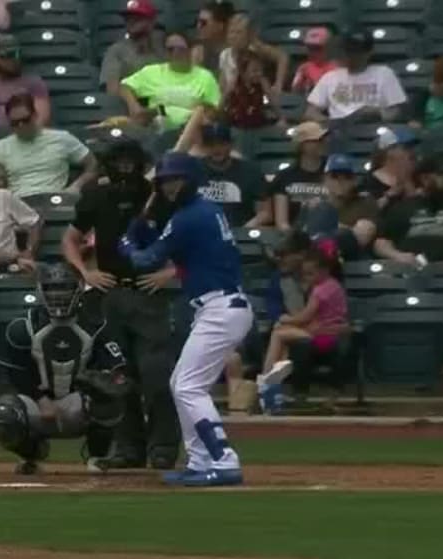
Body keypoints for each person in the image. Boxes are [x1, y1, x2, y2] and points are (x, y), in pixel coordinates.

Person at [119, 152, 251, 487]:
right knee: (183, 384)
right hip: (220, 307)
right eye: (164, 181)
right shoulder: (203, 212)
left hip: (220, 308)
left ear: (191, 179)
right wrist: (146, 231)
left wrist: (127, 242)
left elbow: (147, 260)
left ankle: (224, 460)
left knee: (188, 386)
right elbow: (175, 249)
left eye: (175, 179)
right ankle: (199, 461)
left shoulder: (189, 217)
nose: (169, 187)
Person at [63, 137, 180, 471]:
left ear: (140, 162)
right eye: (119, 161)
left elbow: (187, 241)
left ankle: (163, 447)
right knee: (119, 376)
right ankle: (129, 448)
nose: (125, 168)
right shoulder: (96, 196)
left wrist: (169, 272)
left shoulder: (156, 197)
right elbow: (70, 238)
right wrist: (86, 272)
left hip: (150, 294)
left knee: (156, 374)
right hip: (111, 295)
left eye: (130, 161)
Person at [0, 263, 134, 474]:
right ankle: (31, 456)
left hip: (78, 405)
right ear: (40, 290)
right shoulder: (22, 328)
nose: (58, 295)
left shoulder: (98, 325)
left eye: (64, 288)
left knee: (108, 399)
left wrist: (106, 381)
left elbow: (119, 371)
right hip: (37, 402)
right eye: (52, 288)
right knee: (2, 412)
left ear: (78, 289)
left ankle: (97, 456)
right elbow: (16, 374)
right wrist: (42, 400)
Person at [255, 247, 347, 414]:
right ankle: (273, 390)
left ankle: (267, 386)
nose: (307, 278)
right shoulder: (334, 284)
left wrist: (284, 319)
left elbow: (303, 317)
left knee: (278, 334)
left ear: (324, 271)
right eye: (305, 274)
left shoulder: (321, 290)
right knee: (282, 345)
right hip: (322, 330)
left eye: (311, 274)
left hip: (323, 334)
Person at [0, 93, 96, 198]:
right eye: (15, 123)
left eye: (25, 120)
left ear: (35, 116)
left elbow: (92, 165)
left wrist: (76, 186)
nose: (21, 126)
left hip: (55, 200)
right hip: (17, 204)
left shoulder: (62, 138)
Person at [120, 30, 221, 131]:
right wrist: (134, 107)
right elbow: (124, 86)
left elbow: (213, 108)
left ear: (190, 50)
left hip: (192, 127)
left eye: (180, 49)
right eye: (170, 49)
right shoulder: (152, 71)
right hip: (158, 120)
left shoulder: (204, 76)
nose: (175, 53)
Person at [303, 29, 406, 124]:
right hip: (337, 131)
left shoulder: (384, 73)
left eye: (358, 51)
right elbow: (311, 112)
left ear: (369, 52)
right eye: (350, 50)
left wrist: (379, 114)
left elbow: (396, 111)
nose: (353, 55)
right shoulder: (330, 77)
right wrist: (331, 123)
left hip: (373, 128)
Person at [297, 153, 379, 260]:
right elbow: (299, 238)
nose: (341, 181)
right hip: (314, 261)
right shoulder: (313, 205)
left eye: (347, 177)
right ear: (324, 180)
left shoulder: (365, 202)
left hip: (350, 259)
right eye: (334, 176)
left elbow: (363, 237)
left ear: (354, 181)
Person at [195, 120, 268, 227]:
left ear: (231, 144)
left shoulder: (251, 171)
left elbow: (264, 213)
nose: (217, 149)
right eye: (211, 145)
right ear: (204, 147)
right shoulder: (193, 170)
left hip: (240, 232)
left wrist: (243, 231)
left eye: (222, 144)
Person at [270, 121, 328, 231]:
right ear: (302, 146)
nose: (322, 143)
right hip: (296, 236)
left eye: (323, 139)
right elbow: (282, 222)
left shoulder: (332, 172)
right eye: (316, 140)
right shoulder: (284, 177)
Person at [101, 0, 166, 97]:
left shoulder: (164, 46)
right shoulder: (116, 51)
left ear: (151, 21)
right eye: (128, 19)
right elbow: (112, 91)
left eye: (137, 18)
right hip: (131, 105)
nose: (131, 22)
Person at [218, 12, 287, 101]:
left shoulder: (255, 49)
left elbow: (282, 57)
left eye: (239, 32)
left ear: (248, 35)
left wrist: (278, 84)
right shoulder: (225, 55)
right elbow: (222, 84)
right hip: (232, 100)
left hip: (254, 99)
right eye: (231, 32)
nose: (234, 36)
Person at [361, 125, 417, 211]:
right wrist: (390, 194)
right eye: (406, 148)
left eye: (412, 147)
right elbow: (367, 211)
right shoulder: (370, 180)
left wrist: (407, 181)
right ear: (389, 151)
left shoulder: (418, 175)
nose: (412, 152)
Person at [223, 48, 276, 129]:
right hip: (236, 125)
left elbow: (272, 101)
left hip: (257, 124)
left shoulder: (261, 82)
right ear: (242, 72)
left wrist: (282, 119)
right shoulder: (234, 83)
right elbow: (223, 102)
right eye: (254, 70)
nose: (259, 73)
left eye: (260, 70)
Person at [290, 27, 335, 95]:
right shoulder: (304, 68)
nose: (313, 52)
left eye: (318, 48)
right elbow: (295, 91)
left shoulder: (336, 68)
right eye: (310, 48)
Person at [193, 1, 234, 73]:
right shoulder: (198, 51)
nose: (198, 26)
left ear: (220, 26)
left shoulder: (235, 52)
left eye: (203, 23)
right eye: (197, 21)